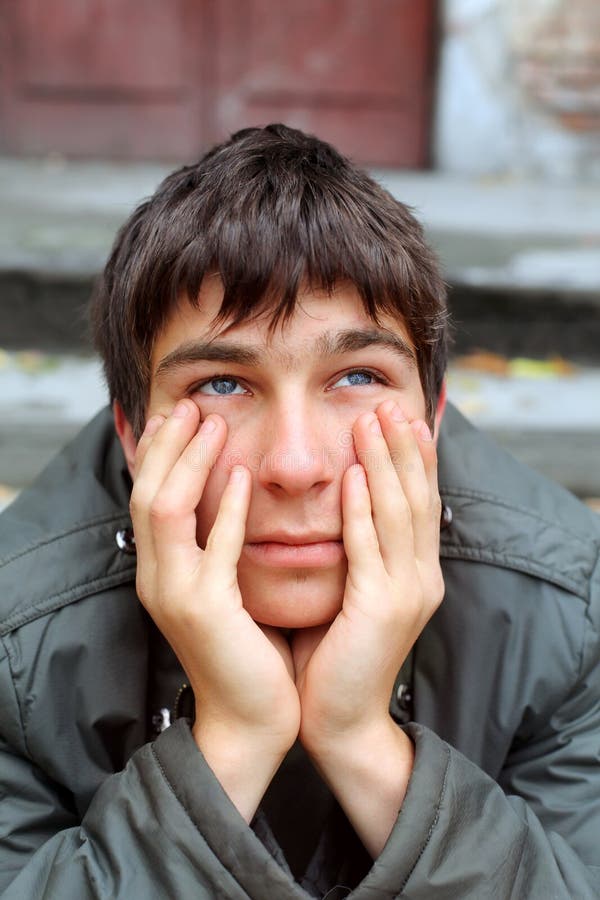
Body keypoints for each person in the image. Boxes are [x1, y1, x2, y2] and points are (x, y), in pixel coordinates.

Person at [0, 124, 599, 899]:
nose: (295, 464)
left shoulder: (566, 615)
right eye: (222, 383)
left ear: (435, 415)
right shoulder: (17, 650)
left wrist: (363, 743)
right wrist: (233, 741)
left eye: (356, 377)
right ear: (133, 434)